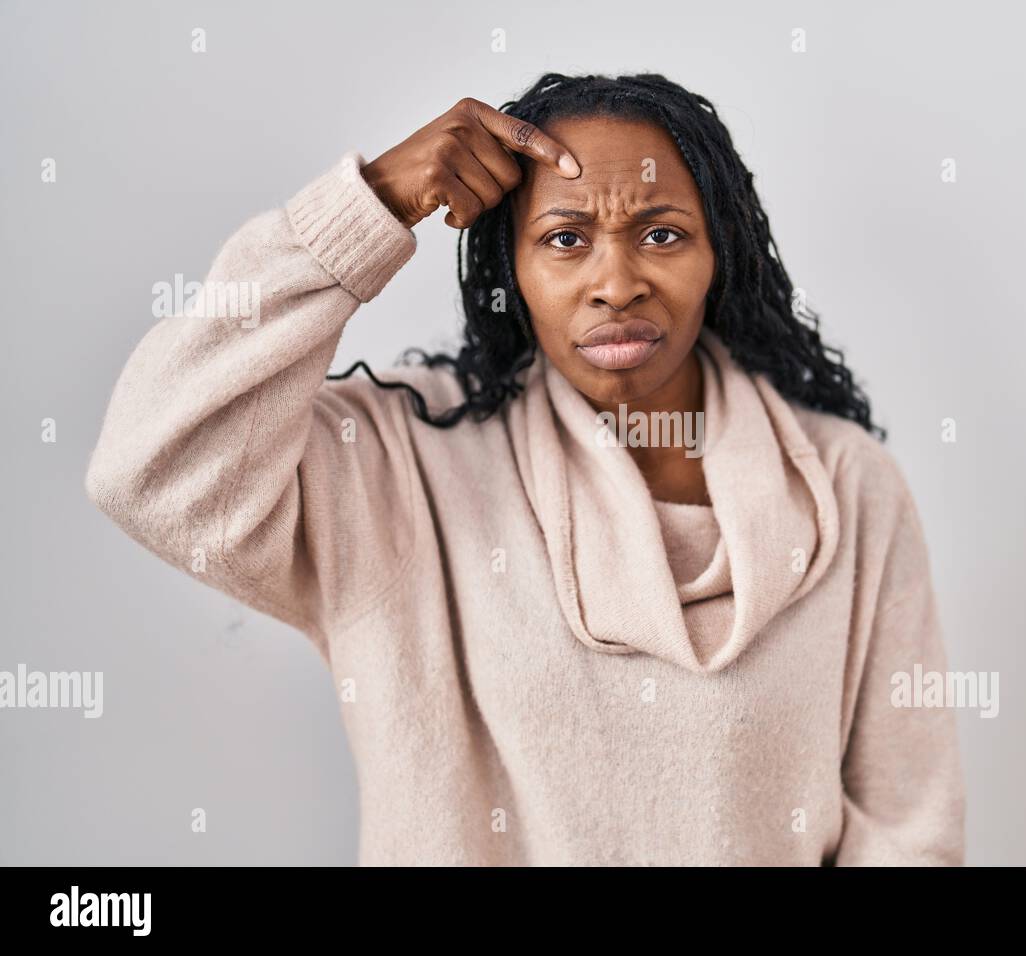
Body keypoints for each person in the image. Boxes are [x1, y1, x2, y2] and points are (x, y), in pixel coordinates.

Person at [85, 72, 965, 865]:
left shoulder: (846, 484)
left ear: (717, 258)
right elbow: (153, 468)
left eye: (661, 233)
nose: (616, 281)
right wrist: (371, 207)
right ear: (509, 266)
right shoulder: (400, 466)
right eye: (566, 238)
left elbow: (908, 832)